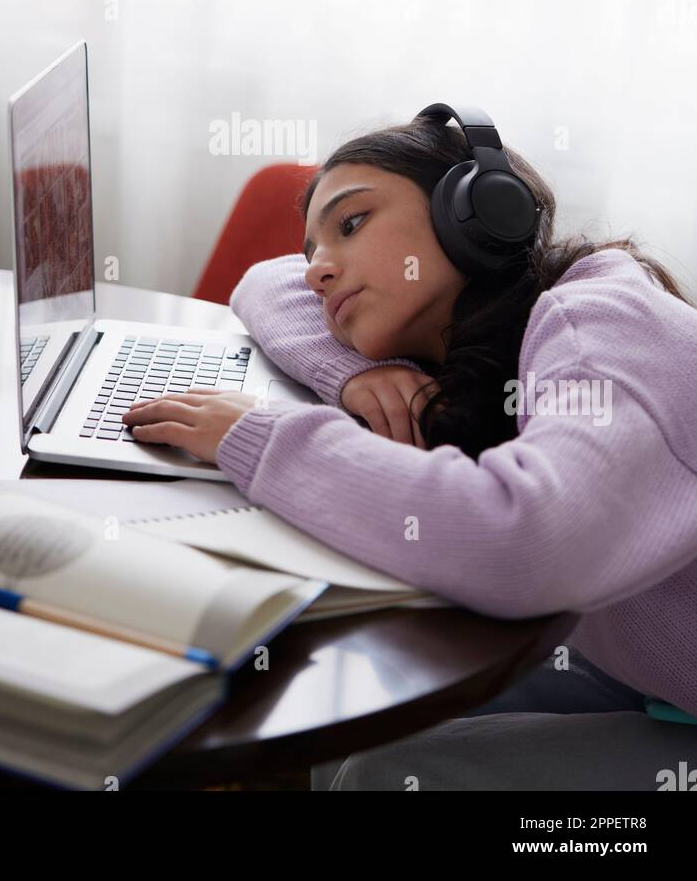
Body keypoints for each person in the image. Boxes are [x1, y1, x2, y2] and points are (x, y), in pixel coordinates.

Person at [125, 112, 697, 789]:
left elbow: (524, 539)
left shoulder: (599, 324)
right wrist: (355, 373)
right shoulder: (471, 340)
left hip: (653, 679)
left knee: (390, 775)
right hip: (652, 671)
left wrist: (260, 438)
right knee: (341, 716)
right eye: (313, 250)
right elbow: (264, 283)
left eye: (351, 223)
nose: (316, 274)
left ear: (481, 215)